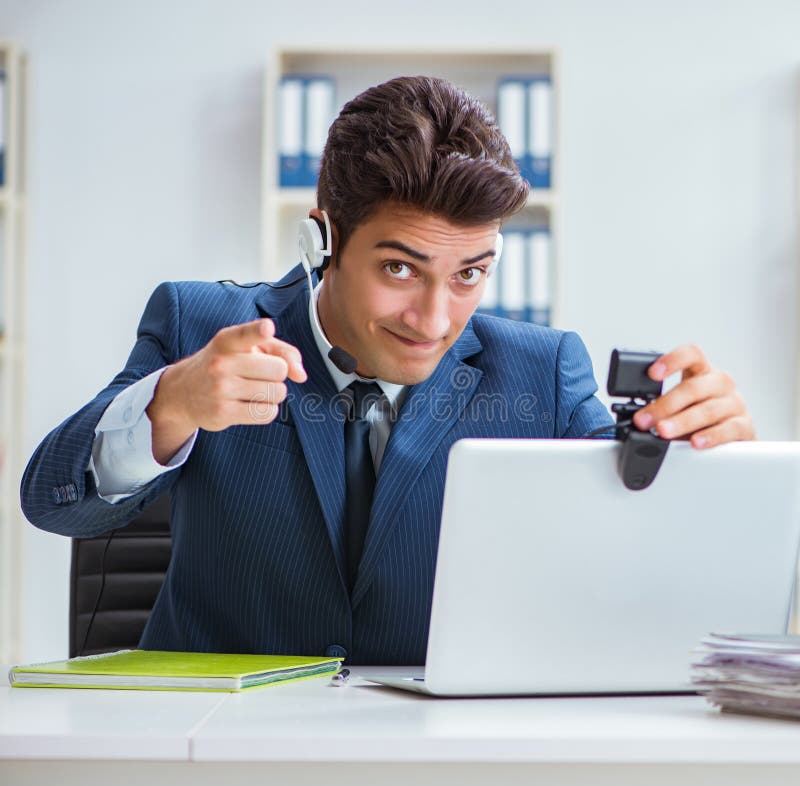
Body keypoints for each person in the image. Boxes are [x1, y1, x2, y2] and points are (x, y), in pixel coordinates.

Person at [21, 76, 755, 665]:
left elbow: (636, 571)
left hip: (441, 753)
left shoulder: (540, 373)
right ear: (324, 236)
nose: (434, 319)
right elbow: (52, 501)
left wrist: (706, 467)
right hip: (221, 743)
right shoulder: (202, 327)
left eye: (470, 273)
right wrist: (170, 404)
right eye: (400, 268)